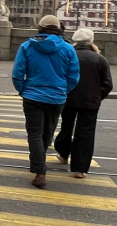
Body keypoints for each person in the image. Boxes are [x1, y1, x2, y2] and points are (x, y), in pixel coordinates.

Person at [10, 13, 79, 189]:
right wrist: (63, 90)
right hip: (57, 97)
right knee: (47, 131)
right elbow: (73, 77)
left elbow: (18, 73)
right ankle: (39, 165)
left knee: (34, 133)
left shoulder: (27, 47)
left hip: (33, 95)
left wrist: (23, 89)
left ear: (40, 28)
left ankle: (39, 170)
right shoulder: (68, 49)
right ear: (58, 30)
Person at [54, 28, 112, 177]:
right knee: (85, 133)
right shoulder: (99, 59)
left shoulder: (68, 55)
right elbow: (107, 84)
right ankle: (79, 169)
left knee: (66, 127)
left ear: (75, 41)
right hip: (91, 101)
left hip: (68, 98)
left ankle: (63, 154)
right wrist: (98, 96)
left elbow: (59, 76)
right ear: (91, 41)